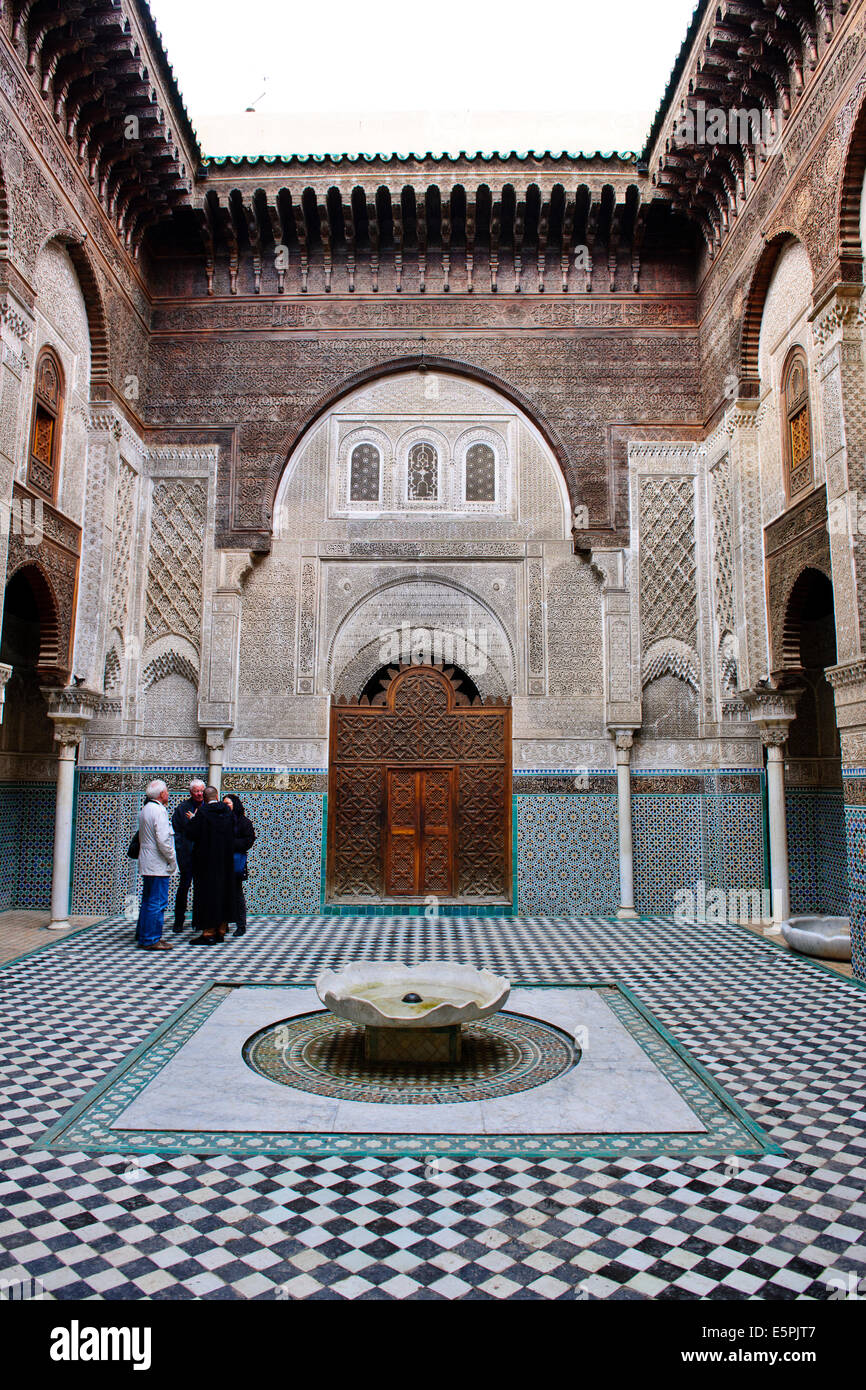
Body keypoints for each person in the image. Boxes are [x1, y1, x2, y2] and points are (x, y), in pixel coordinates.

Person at [187, 785, 235, 944]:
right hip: (225, 862)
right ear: (217, 796)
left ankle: (208, 933)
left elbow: (192, 833)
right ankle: (221, 930)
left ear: (205, 799)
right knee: (223, 894)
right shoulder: (227, 812)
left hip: (207, 864)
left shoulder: (203, 813)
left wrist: (192, 820)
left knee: (207, 896)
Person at [135, 779, 177, 952]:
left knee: (148, 900)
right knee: (157, 901)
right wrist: (172, 859)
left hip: (148, 861)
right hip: (157, 863)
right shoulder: (159, 811)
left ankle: (144, 935)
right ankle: (151, 939)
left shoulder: (145, 809)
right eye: (166, 791)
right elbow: (163, 840)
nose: (168, 794)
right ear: (161, 794)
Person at [170, 778, 206, 931]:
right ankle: (179, 921)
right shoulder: (183, 808)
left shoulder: (207, 808)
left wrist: (195, 820)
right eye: (196, 791)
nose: (199, 794)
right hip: (187, 855)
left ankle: (198, 921)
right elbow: (179, 830)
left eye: (201, 791)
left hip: (202, 855)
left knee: (200, 888)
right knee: (183, 887)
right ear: (191, 792)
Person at [223, 793, 256, 937]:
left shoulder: (244, 822)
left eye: (228, 804)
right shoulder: (220, 820)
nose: (225, 806)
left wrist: (231, 844)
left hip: (236, 863)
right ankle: (223, 923)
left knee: (237, 893)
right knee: (223, 893)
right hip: (222, 862)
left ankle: (240, 924)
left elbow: (248, 841)